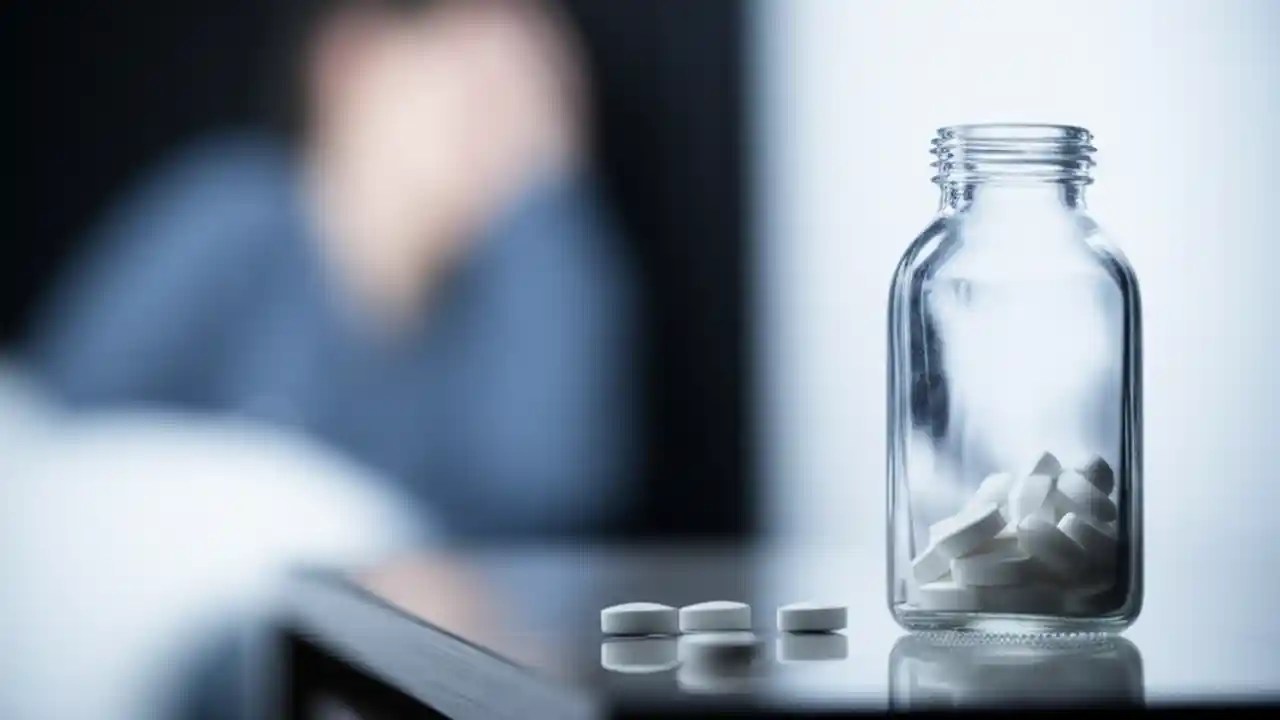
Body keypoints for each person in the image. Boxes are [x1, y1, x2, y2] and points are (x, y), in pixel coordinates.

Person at [24, 0, 637, 537]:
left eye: (536, 107)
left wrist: (547, 206)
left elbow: (550, 494)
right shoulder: (233, 216)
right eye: (476, 85)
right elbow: (64, 439)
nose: (501, 131)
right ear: (351, 61)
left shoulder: (503, 306)